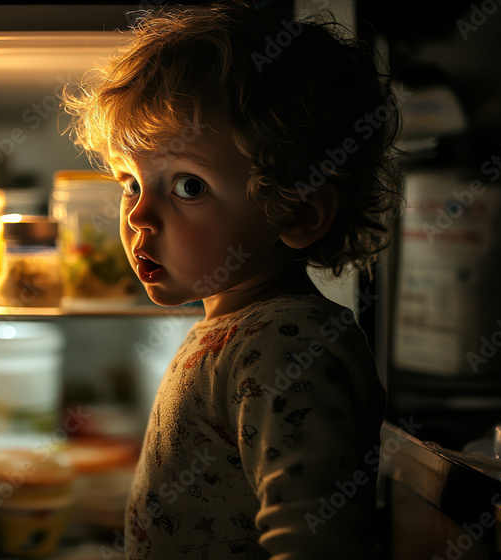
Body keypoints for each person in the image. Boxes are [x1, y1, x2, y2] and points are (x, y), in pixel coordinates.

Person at [62, 2, 401, 558]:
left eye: (188, 186)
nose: (138, 216)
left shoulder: (286, 347)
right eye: (130, 182)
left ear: (296, 212)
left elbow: (313, 541)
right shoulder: (244, 332)